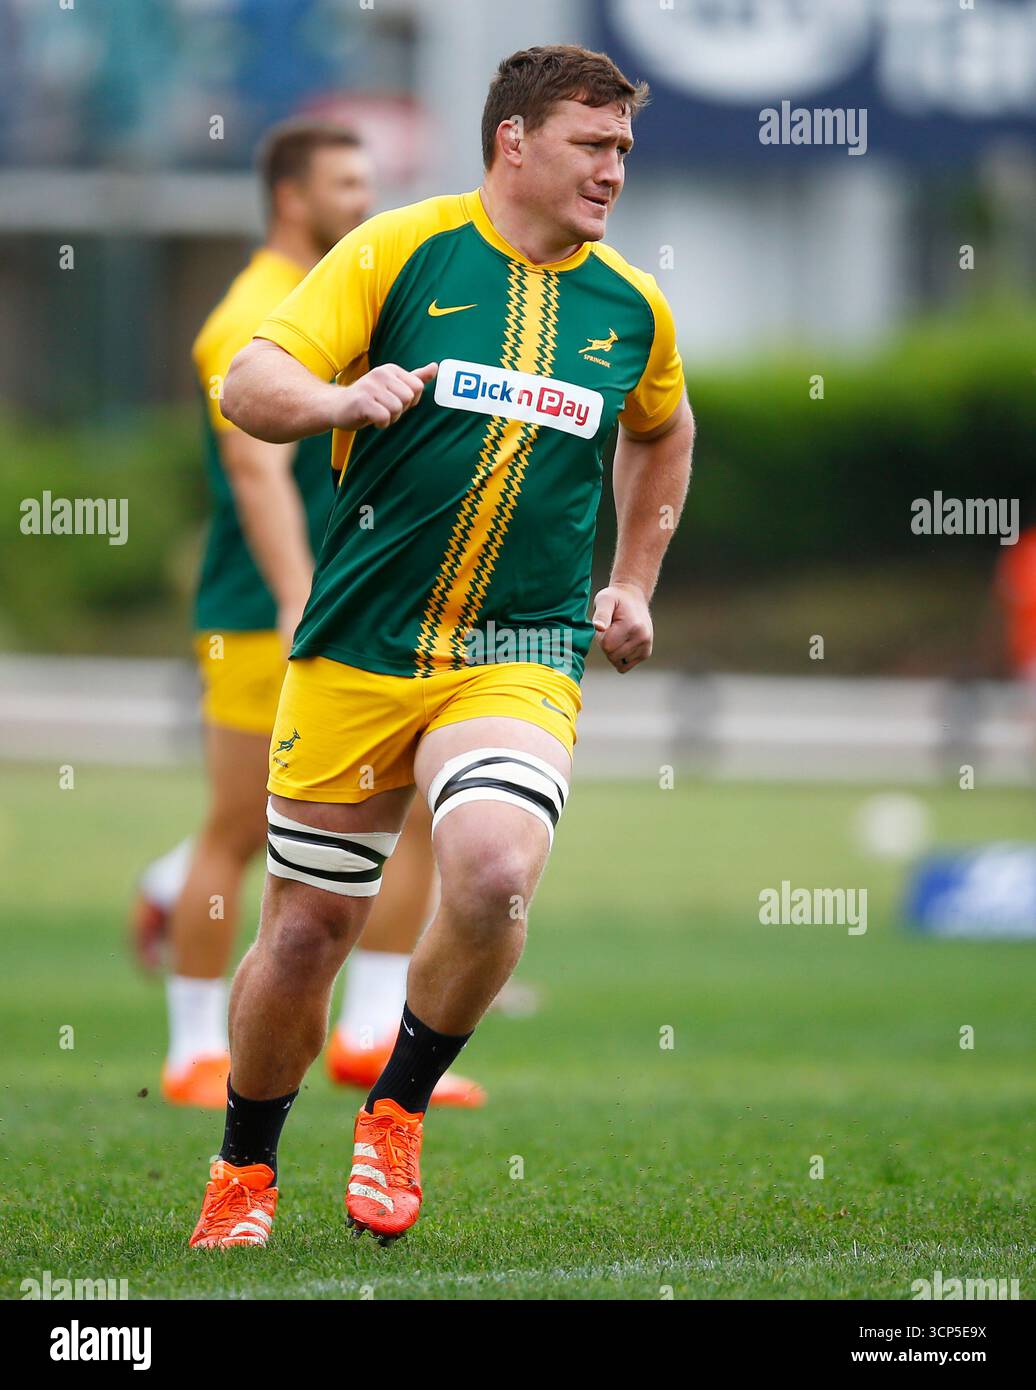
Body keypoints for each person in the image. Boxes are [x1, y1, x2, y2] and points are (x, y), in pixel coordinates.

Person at [189, 43, 694, 1249]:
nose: (614, 169)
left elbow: (664, 433)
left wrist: (630, 581)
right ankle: (244, 1169)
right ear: (512, 140)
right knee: (306, 930)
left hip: (518, 648)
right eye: (592, 143)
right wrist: (338, 401)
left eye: (623, 147)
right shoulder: (397, 249)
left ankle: (398, 1110)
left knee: (493, 872)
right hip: (359, 647)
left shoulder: (632, 304)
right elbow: (249, 384)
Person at [132, 118, 483, 1111]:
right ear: (292, 196)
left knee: (405, 818)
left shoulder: (348, 294)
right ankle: (196, 1047)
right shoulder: (247, 312)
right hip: (262, 610)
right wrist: (296, 597)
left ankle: (369, 1033)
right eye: (346, 182)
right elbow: (257, 467)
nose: (364, 200)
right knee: (241, 829)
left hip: (365, 607)